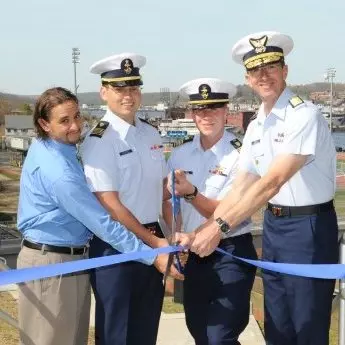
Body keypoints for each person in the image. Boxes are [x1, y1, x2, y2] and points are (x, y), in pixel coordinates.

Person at [177, 31, 338, 345]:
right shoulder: (256, 124)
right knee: (277, 325)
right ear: (248, 79)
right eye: (255, 70)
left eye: (270, 67)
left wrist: (219, 227)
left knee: (306, 326)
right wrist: (204, 231)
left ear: (285, 70)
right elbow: (242, 186)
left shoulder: (303, 115)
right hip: (274, 227)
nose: (264, 76)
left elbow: (272, 182)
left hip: (309, 229)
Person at [17, 87, 167, 345]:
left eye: (77, 116)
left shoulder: (54, 147)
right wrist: (151, 254)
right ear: (44, 123)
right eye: (64, 121)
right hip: (51, 263)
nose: (75, 126)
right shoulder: (58, 171)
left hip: (69, 261)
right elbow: (102, 222)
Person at [80, 52, 183, 345]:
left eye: (133, 87)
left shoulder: (150, 134)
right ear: (103, 92)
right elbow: (109, 204)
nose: (128, 95)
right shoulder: (99, 140)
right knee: (117, 335)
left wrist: (172, 235)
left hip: (155, 240)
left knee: (145, 330)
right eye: (119, 88)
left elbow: (163, 191)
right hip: (117, 249)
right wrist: (156, 245)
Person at [165, 78, 257, 344]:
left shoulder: (241, 155)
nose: (207, 116)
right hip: (193, 254)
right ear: (193, 114)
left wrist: (192, 192)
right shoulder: (180, 154)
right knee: (200, 333)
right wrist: (177, 233)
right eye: (200, 110)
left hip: (230, 250)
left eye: (214, 108)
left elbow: (228, 211)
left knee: (221, 337)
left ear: (226, 111)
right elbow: (170, 201)